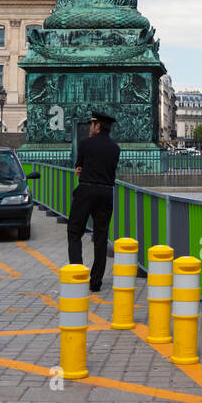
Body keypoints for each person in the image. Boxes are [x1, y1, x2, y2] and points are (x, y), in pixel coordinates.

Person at [66, 111, 120, 294]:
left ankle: (77, 274)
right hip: (106, 192)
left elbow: (79, 167)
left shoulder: (85, 144)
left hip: (87, 190)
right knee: (101, 236)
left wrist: (82, 169)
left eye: (92, 125)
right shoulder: (115, 148)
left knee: (74, 231)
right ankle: (96, 282)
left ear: (97, 126)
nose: (90, 128)